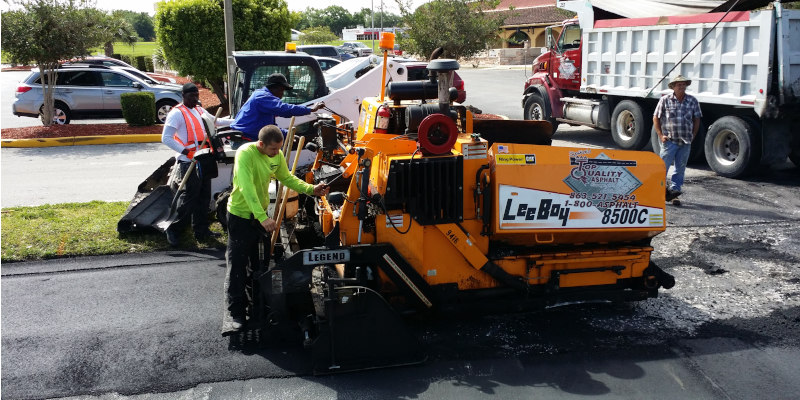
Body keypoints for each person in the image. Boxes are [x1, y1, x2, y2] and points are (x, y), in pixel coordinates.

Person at [223, 125, 329, 332]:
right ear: (261, 144)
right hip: (241, 216)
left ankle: (256, 303)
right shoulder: (246, 154)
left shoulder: (276, 153)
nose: (276, 154)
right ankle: (235, 311)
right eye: (272, 150)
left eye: (278, 150)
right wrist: (263, 217)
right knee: (237, 265)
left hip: (259, 216)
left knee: (259, 263)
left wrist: (311, 189)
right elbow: (247, 188)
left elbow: (286, 178)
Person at [161, 82, 233, 246]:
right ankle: (174, 229)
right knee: (190, 198)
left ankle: (201, 230)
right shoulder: (177, 113)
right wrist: (187, 152)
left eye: (196, 95)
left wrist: (235, 122)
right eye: (191, 96)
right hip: (189, 161)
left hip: (204, 158)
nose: (195, 98)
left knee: (204, 197)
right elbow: (166, 138)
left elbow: (216, 121)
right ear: (183, 96)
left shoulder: (199, 110)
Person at [230, 72, 325, 142]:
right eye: (282, 90)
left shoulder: (264, 98)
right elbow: (284, 109)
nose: (282, 95)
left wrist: (288, 134)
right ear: (275, 88)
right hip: (244, 139)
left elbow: (270, 127)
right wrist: (311, 109)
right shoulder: (262, 97)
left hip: (249, 136)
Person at [653, 75, 703, 202]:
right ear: (673, 87)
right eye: (678, 85)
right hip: (669, 141)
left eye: (683, 84)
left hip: (685, 141)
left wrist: (693, 135)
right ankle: (659, 192)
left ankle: (675, 193)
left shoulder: (692, 101)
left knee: (680, 168)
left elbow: (697, 118)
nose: (681, 87)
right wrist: (660, 135)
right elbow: (656, 117)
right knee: (662, 168)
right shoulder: (665, 100)